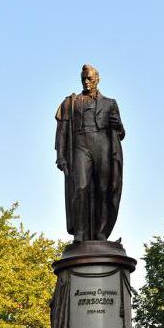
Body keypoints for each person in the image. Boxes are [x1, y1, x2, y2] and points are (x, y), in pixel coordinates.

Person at [54, 64, 126, 242]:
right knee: (80, 187)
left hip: (103, 147)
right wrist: (61, 156)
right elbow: (62, 131)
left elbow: (121, 133)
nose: (86, 82)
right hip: (80, 146)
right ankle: (80, 231)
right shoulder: (71, 103)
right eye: (84, 79)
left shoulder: (110, 103)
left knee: (104, 189)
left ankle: (102, 232)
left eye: (90, 79)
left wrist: (118, 126)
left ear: (97, 79)